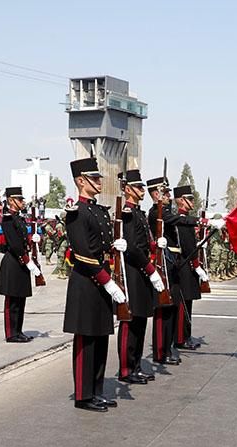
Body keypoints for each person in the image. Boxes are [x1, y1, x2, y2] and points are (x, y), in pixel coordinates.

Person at [63, 158, 127, 412]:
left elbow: (100, 247)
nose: (100, 182)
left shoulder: (99, 211)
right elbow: (83, 253)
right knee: (86, 340)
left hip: (102, 281)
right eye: (95, 178)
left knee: (101, 338)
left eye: (99, 178)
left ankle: (97, 390)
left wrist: (115, 248)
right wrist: (107, 281)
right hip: (86, 284)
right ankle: (83, 394)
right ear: (81, 181)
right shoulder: (76, 212)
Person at [117, 169, 165, 383]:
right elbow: (133, 247)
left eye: (142, 187)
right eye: (138, 187)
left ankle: (135, 365)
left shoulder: (139, 213)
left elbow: (144, 242)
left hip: (143, 271)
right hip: (134, 271)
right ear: (128, 189)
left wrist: (156, 244)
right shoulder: (127, 212)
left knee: (141, 320)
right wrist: (150, 268)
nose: (142, 190)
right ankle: (126, 369)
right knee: (131, 320)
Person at [146, 176, 185, 366]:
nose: (169, 195)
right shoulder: (156, 213)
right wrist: (200, 221)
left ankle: (168, 347)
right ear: (156, 194)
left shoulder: (166, 212)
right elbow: (174, 219)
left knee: (172, 308)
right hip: (163, 264)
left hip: (173, 263)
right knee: (163, 310)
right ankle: (161, 351)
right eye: (166, 192)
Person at [0, 186, 42, 343]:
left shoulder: (19, 218)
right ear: (11, 201)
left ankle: (18, 330)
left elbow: (23, 240)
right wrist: (26, 259)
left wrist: (33, 240)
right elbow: (15, 244)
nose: (22, 202)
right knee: (12, 300)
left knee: (21, 298)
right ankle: (11, 333)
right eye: (19, 199)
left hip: (21, 261)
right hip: (13, 261)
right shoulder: (8, 218)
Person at [173, 185, 209, 350]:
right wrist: (196, 265)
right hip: (185, 266)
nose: (193, 201)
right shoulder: (181, 221)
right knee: (183, 304)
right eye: (190, 198)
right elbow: (188, 246)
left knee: (188, 303)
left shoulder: (186, 219)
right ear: (181, 200)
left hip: (189, 266)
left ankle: (186, 335)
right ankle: (180, 338)